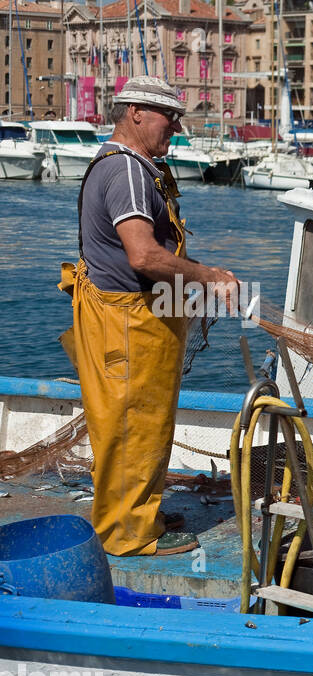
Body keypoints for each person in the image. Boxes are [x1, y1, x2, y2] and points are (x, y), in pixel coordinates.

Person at [63, 76, 239, 556]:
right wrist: (207, 275)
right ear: (136, 112)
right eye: (169, 115)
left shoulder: (134, 166)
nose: (176, 127)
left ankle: (143, 513)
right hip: (128, 321)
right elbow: (142, 255)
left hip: (133, 315)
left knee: (142, 423)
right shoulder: (127, 172)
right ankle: (126, 535)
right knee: (131, 424)